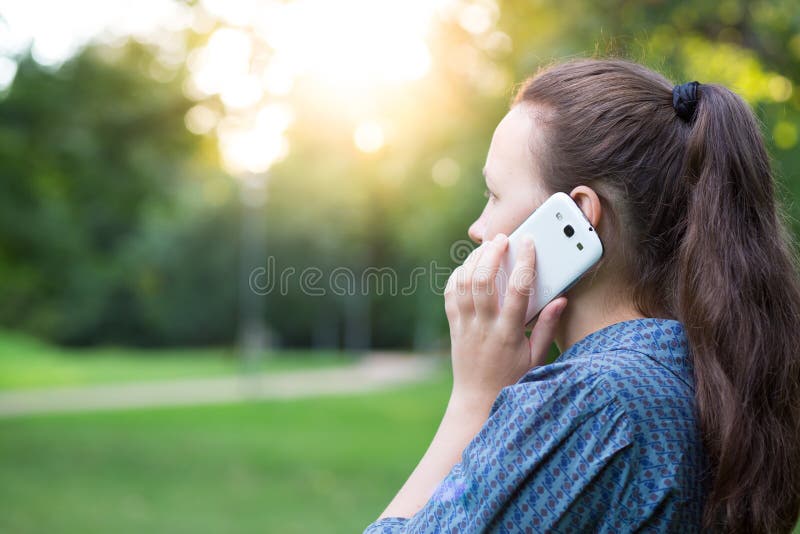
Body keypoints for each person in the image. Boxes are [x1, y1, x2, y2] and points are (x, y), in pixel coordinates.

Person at [363, 57, 800, 533]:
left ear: (576, 216)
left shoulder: (592, 401)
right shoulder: (706, 377)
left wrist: (474, 400)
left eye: (493, 195)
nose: (477, 228)